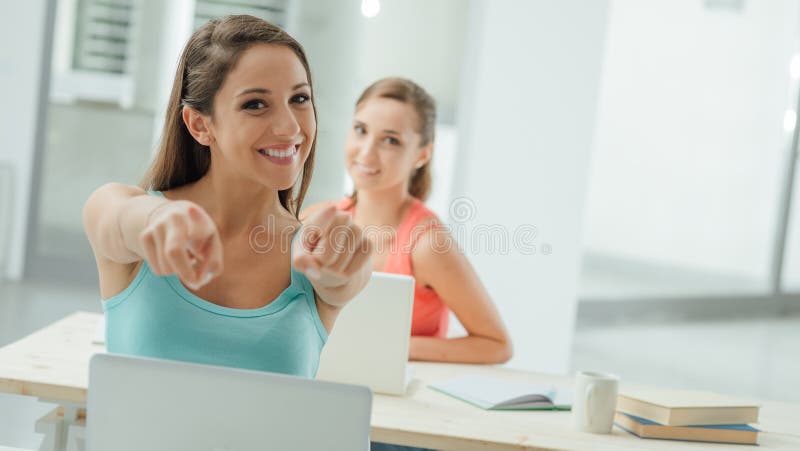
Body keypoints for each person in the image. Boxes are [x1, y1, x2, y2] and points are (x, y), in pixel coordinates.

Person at [82, 15, 372, 379]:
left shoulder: (311, 253)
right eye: (255, 104)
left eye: (299, 98)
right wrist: (157, 220)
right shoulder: (127, 209)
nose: (290, 127)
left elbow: (347, 280)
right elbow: (116, 218)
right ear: (200, 125)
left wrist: (343, 271)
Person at [304, 78, 512, 365]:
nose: (366, 152)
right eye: (360, 130)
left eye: (390, 140)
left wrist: (388, 347)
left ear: (422, 154)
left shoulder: (427, 245)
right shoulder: (314, 221)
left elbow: (496, 345)